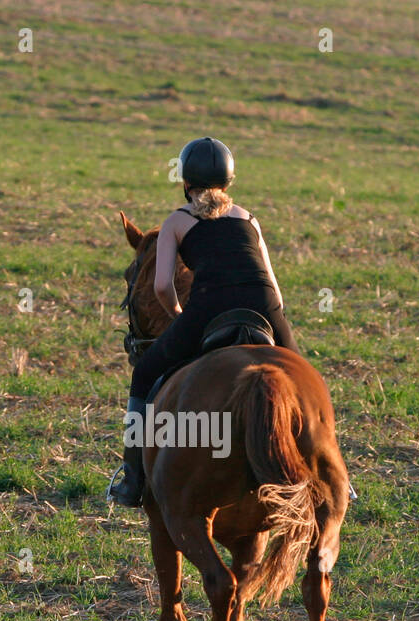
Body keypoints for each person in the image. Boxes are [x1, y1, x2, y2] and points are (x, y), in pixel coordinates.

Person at [109, 137, 301, 507]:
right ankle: (328, 472)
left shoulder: (178, 220)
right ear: (228, 184)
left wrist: (180, 315)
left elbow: (163, 284)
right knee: (304, 381)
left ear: (185, 183)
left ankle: (132, 480)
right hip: (263, 303)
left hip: (210, 305)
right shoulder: (248, 218)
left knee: (145, 373)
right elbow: (275, 289)